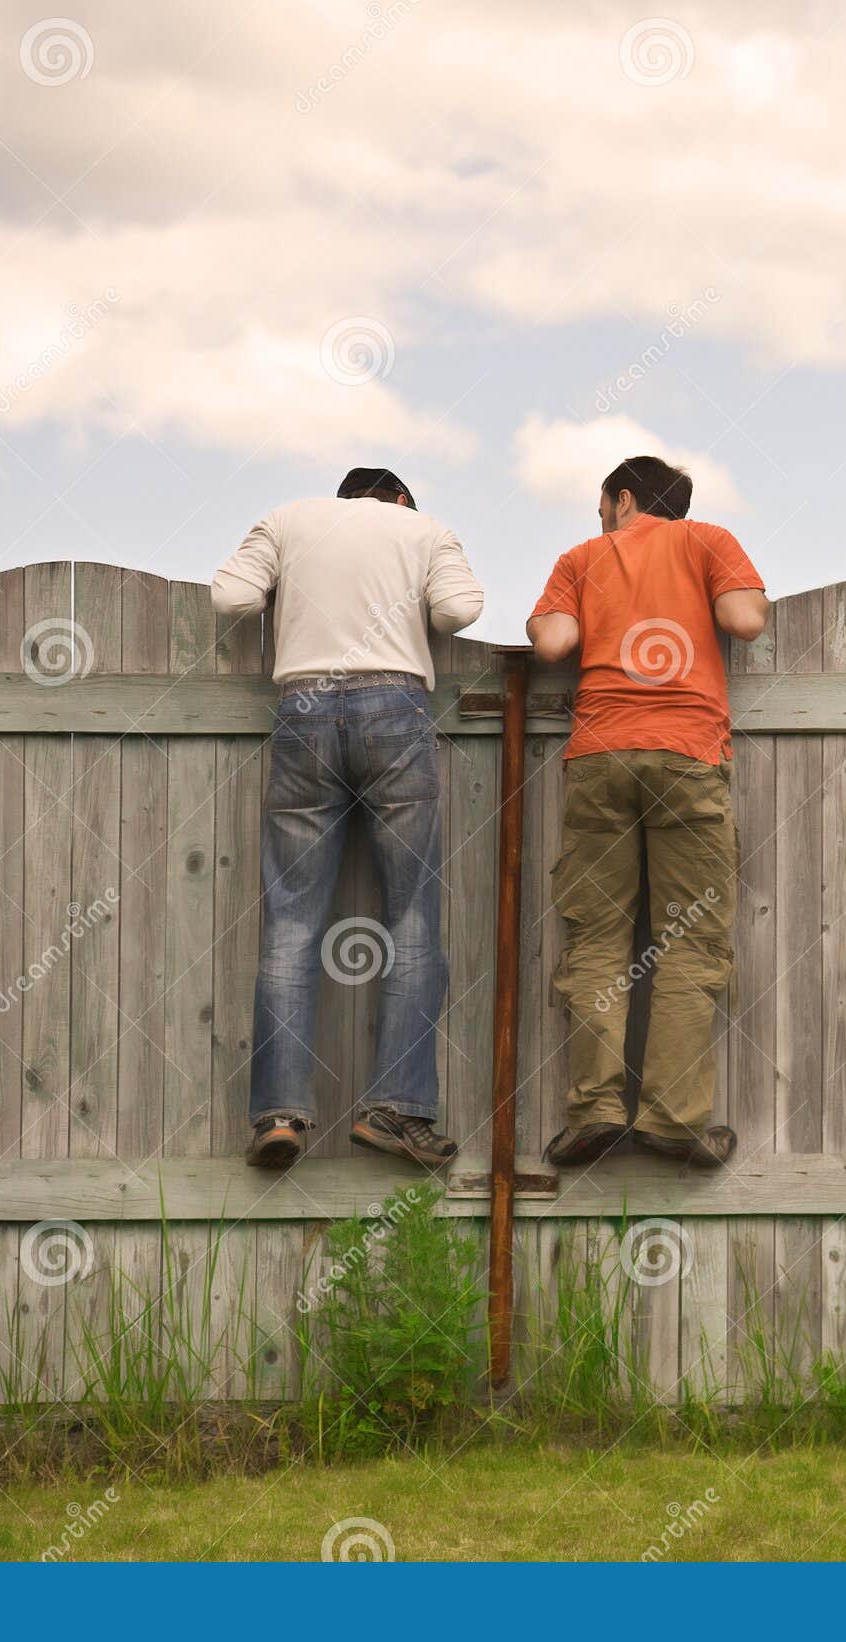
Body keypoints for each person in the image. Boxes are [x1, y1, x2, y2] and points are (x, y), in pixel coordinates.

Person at [212, 467, 484, 1170]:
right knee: (414, 917)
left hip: (303, 705)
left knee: (292, 920)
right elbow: (459, 612)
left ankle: (278, 1114)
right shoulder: (424, 530)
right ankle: (395, 1110)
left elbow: (233, 597)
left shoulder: (285, 517)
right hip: (395, 709)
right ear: (399, 500)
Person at [526, 456, 767, 1169]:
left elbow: (553, 644)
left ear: (623, 498)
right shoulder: (708, 542)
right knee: (689, 939)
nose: (599, 519)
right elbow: (744, 620)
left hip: (600, 756)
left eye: (602, 506)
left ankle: (596, 1110)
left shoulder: (581, 558)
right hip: (689, 755)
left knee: (597, 936)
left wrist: (553, 607)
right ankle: (672, 1118)